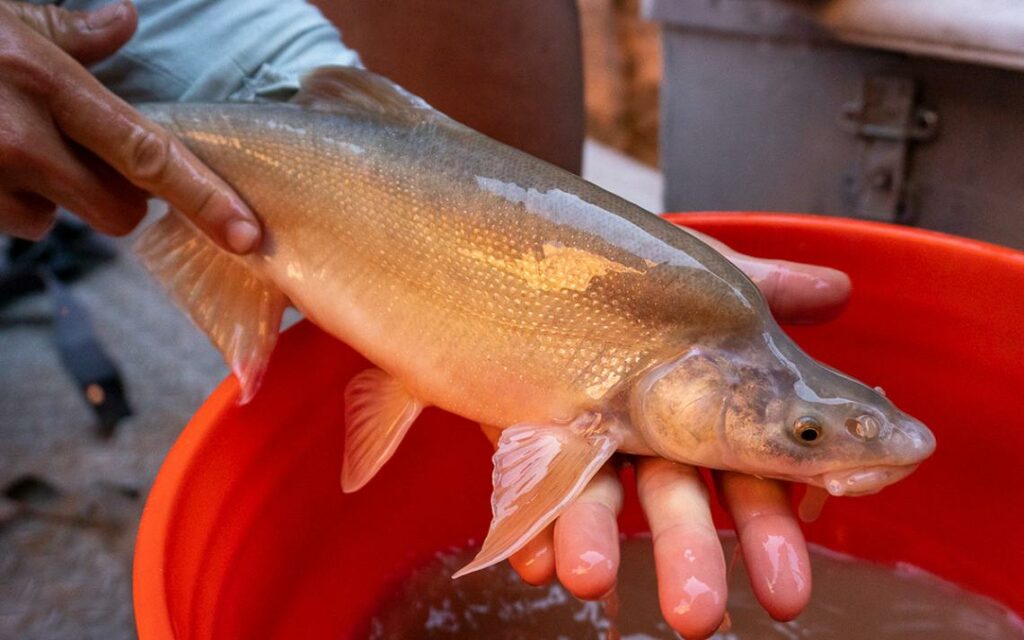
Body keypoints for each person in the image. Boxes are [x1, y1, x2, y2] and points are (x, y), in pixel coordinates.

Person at [0, 1, 851, 637]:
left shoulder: (716, 315)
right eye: (805, 436)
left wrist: (294, 95)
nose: (802, 447)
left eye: (803, 434)